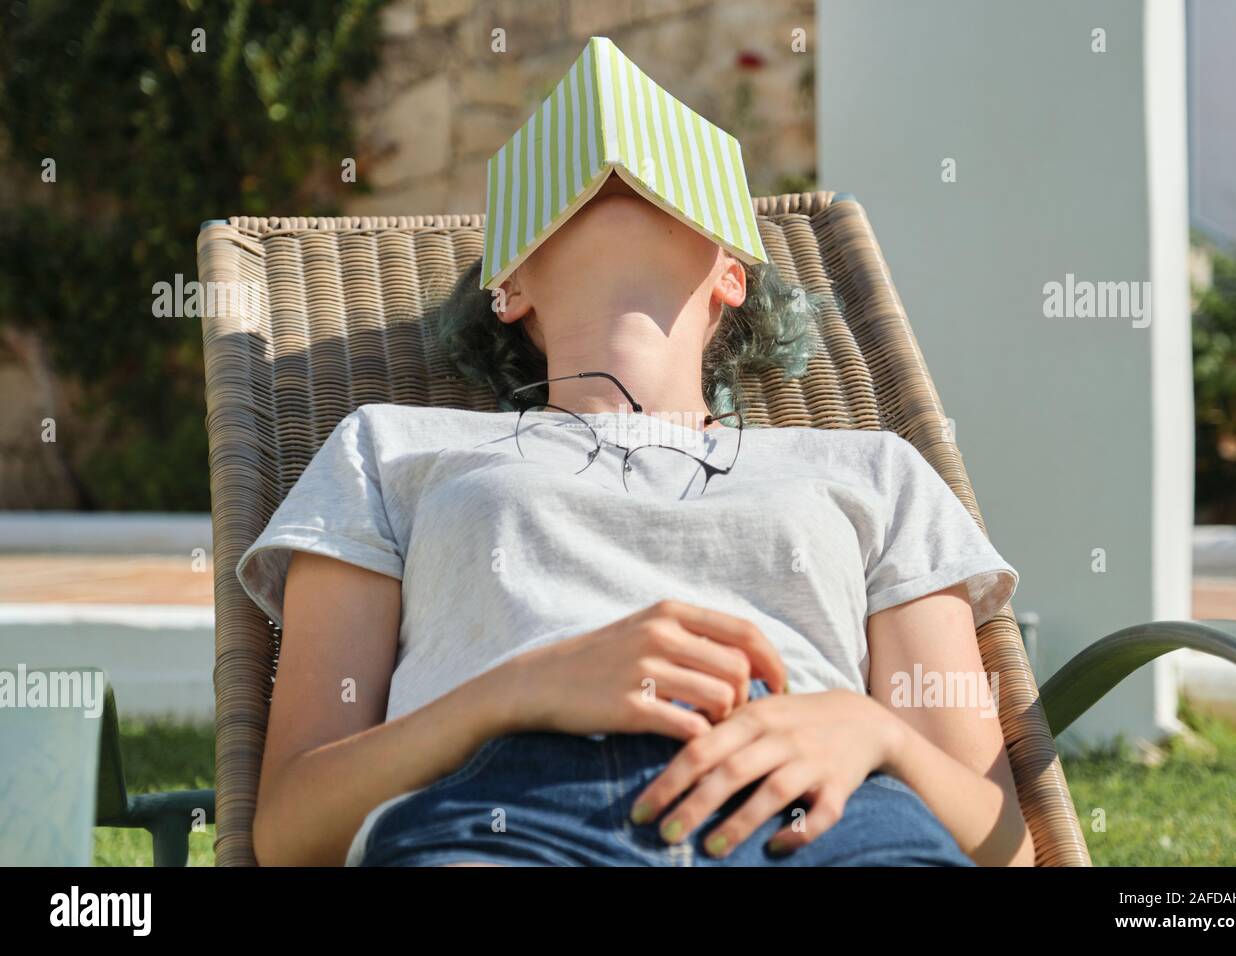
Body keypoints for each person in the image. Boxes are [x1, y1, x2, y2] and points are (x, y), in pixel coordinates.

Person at [237, 174, 1031, 867]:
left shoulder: (875, 469)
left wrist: (875, 733)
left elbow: (1002, 847)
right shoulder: (389, 447)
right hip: (507, 817)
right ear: (508, 287)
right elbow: (292, 829)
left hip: (828, 819)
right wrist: (516, 689)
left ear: (733, 277)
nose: (617, 172)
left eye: (657, 175)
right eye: (579, 178)